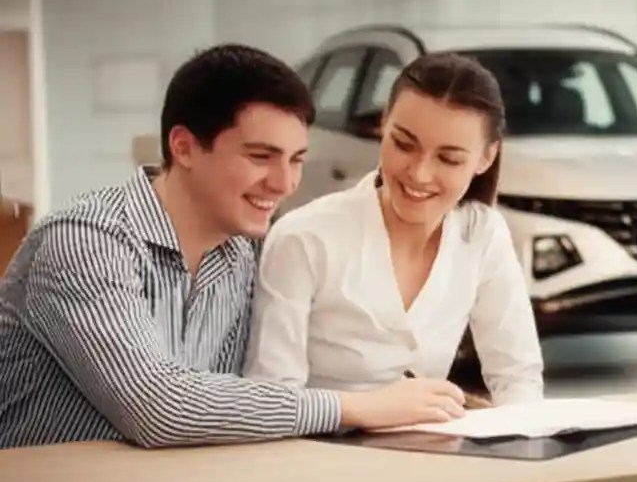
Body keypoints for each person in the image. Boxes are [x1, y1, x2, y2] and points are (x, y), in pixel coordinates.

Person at [0, 44, 467, 450]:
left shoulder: (246, 255)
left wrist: (418, 401)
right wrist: (357, 407)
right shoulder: (85, 242)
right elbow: (158, 407)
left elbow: (260, 396)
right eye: (260, 157)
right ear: (183, 147)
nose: (284, 183)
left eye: (296, 160)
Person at [244, 52, 544, 405]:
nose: (419, 173)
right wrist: (368, 412)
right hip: (321, 453)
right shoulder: (304, 238)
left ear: (485, 158)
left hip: (432, 450)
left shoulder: (482, 232)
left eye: (448, 158)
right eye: (403, 144)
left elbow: (517, 375)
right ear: (383, 125)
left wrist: (516, 437)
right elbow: (272, 398)